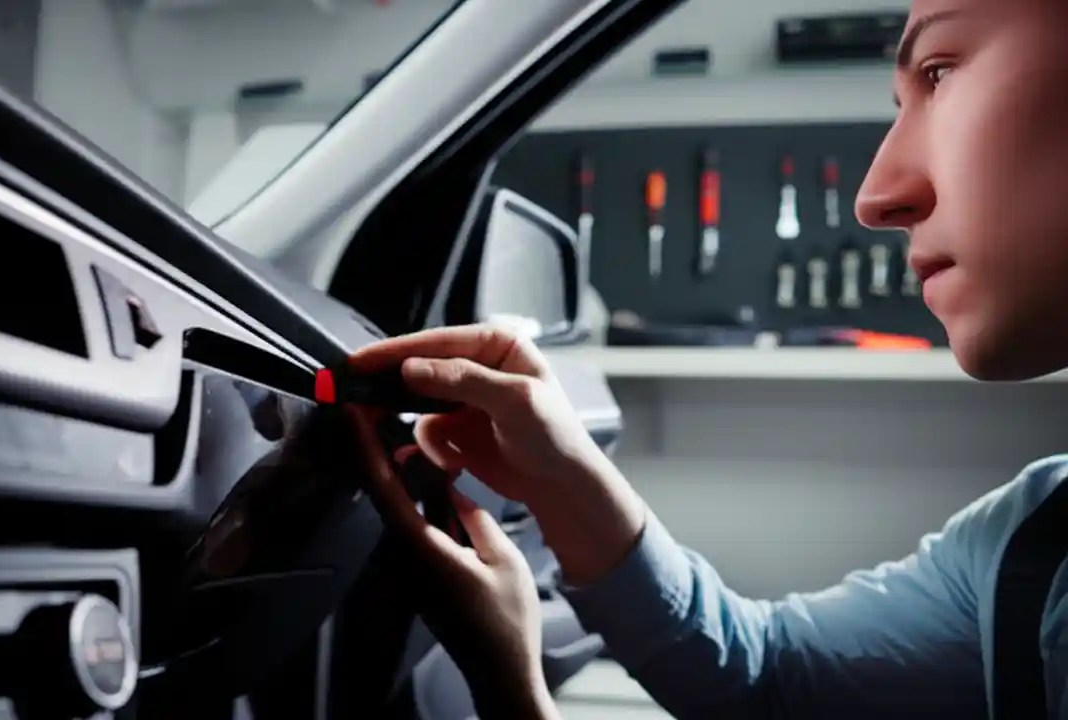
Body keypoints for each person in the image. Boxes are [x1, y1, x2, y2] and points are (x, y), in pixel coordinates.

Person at [345, 0, 1068, 717]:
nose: (875, 198)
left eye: (940, 72)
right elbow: (767, 678)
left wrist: (512, 692)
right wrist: (566, 482)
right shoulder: (1035, 535)